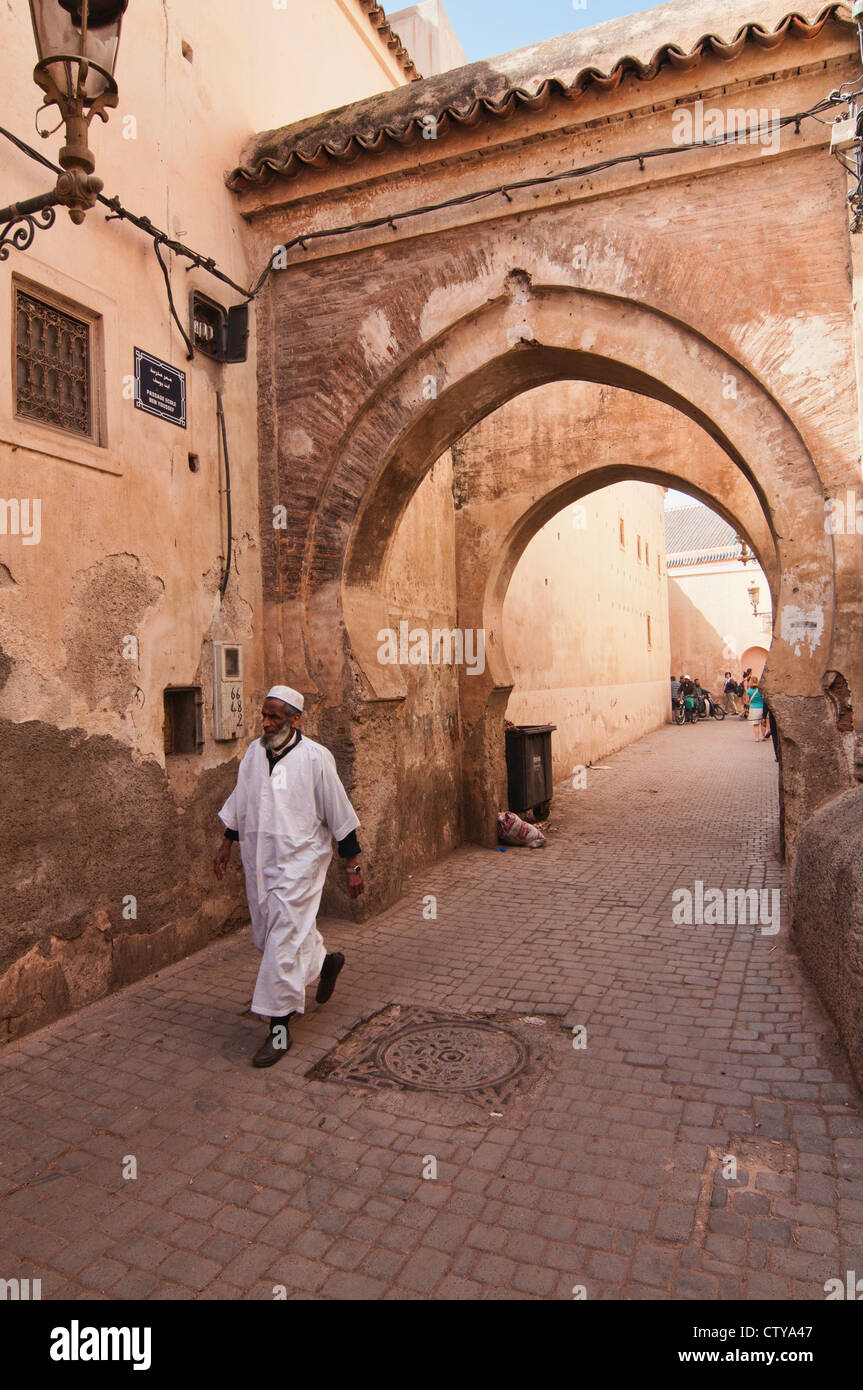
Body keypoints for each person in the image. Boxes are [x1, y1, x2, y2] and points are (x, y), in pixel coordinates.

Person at [213, 685, 364, 1067]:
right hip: (260, 862)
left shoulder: (316, 759)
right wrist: (227, 843)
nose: (265, 722)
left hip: (300, 865)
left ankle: (278, 1030)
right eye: (264, 715)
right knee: (270, 936)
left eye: (274, 716)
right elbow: (241, 800)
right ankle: (324, 961)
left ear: (296, 719)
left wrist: (353, 866)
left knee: (280, 944)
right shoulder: (253, 754)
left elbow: (340, 815)